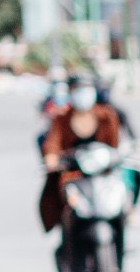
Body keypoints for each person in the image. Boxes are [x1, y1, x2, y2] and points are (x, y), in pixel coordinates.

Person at [39, 79, 123, 235]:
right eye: (79, 90)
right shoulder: (61, 118)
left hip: (102, 174)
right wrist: (52, 159)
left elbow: (115, 147)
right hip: (73, 175)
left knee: (122, 196)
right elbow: (52, 145)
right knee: (63, 201)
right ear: (71, 93)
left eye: (87, 89)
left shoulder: (107, 116)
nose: (83, 95)